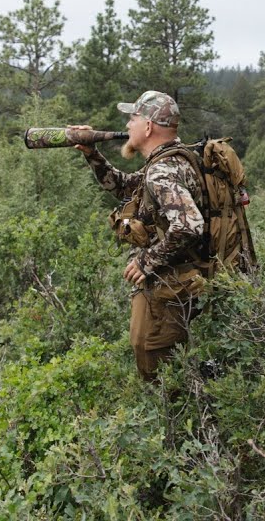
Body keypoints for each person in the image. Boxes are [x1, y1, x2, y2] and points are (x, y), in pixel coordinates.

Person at [70, 90, 209, 383]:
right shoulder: (175, 160)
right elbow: (123, 187)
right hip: (183, 282)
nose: (129, 124)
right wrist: (92, 154)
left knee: (158, 366)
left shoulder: (161, 171)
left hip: (169, 288)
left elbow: (189, 225)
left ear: (148, 127)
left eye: (133, 118)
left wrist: (147, 261)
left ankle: (178, 422)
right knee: (176, 361)